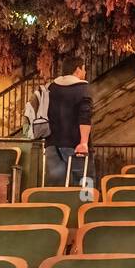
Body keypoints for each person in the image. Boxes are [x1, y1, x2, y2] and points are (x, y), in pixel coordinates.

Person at [45, 54, 92, 187]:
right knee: (83, 185)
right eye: (84, 69)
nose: (85, 72)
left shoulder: (50, 88)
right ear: (77, 70)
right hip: (75, 146)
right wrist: (83, 142)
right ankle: (84, 207)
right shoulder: (83, 89)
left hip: (52, 145)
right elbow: (85, 116)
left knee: (55, 185)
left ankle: (55, 207)